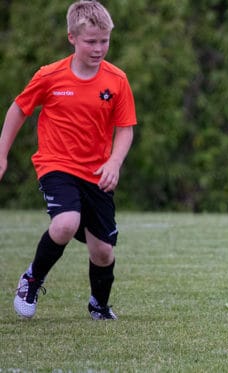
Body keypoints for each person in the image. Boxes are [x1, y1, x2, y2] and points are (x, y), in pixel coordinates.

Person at [1, 0, 136, 321]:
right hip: (56, 164)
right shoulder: (49, 76)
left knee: (102, 252)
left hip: (97, 172)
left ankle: (99, 306)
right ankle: (32, 279)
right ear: (72, 38)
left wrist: (114, 162)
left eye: (104, 41)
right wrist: (2, 152)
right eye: (91, 41)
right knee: (65, 223)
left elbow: (125, 128)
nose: (99, 48)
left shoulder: (116, 80)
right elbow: (19, 109)